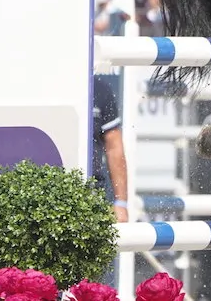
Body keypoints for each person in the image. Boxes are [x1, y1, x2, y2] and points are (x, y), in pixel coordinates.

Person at [91, 74, 130, 286]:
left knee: (91, 283)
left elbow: (114, 147)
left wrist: (121, 202)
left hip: (92, 197)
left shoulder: (100, 88)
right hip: (52, 192)